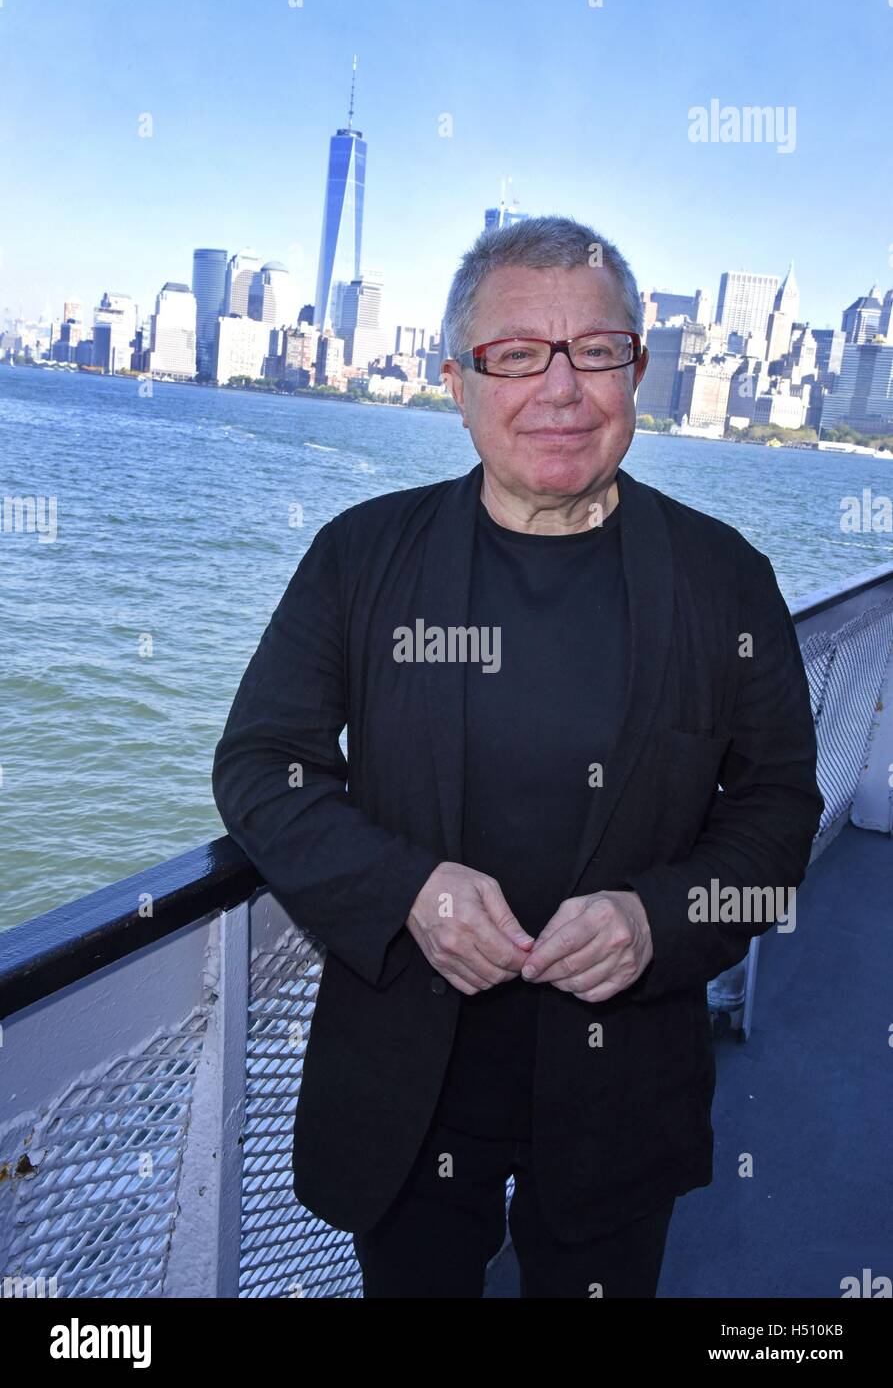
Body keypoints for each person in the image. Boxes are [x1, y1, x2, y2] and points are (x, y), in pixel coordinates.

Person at [211, 214, 823, 1298]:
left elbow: (775, 813)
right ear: (456, 382)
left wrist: (657, 919)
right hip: (408, 1075)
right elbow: (264, 765)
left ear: (637, 372)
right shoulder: (360, 557)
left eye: (594, 351)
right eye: (513, 355)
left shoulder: (724, 581)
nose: (559, 388)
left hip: (621, 1079)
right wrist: (406, 890)